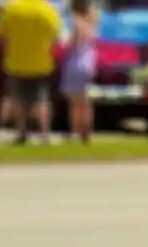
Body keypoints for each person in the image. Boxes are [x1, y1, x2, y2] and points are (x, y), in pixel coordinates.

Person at [0, 0, 62, 145]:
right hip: (41, 62)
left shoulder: (11, 9)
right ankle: (45, 134)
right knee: (42, 100)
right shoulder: (47, 10)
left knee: (19, 100)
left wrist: (7, 50)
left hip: (16, 61)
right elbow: (56, 36)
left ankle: (22, 132)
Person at [60, 0, 97, 144]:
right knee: (85, 101)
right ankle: (86, 131)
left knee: (75, 102)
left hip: (76, 63)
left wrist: (63, 43)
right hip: (88, 63)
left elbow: (71, 44)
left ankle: (76, 131)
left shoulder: (76, 23)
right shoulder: (91, 22)